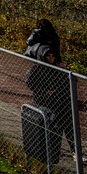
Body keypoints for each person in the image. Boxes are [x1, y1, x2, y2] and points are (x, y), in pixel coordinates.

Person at [25, 19, 75, 149]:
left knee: (67, 125)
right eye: (49, 57)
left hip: (60, 102)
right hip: (46, 101)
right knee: (51, 124)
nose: (51, 59)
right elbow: (31, 83)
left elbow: (29, 42)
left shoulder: (58, 71)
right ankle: (49, 148)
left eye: (52, 57)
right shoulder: (37, 70)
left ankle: (74, 150)